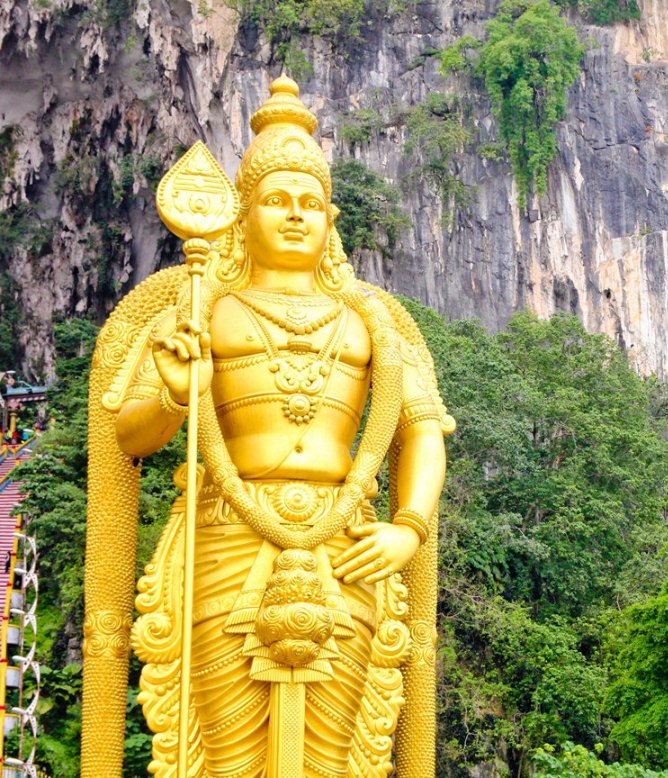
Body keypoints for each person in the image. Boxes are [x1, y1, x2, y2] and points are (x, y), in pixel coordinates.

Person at [82, 77, 453, 778]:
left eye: (310, 204)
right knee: (224, 753)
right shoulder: (196, 310)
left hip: (345, 546)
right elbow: (126, 439)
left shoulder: (375, 322)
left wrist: (409, 526)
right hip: (226, 537)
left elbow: (423, 432)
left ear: (332, 218)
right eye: (277, 200)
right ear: (242, 214)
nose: (295, 216)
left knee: (340, 756)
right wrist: (173, 395)